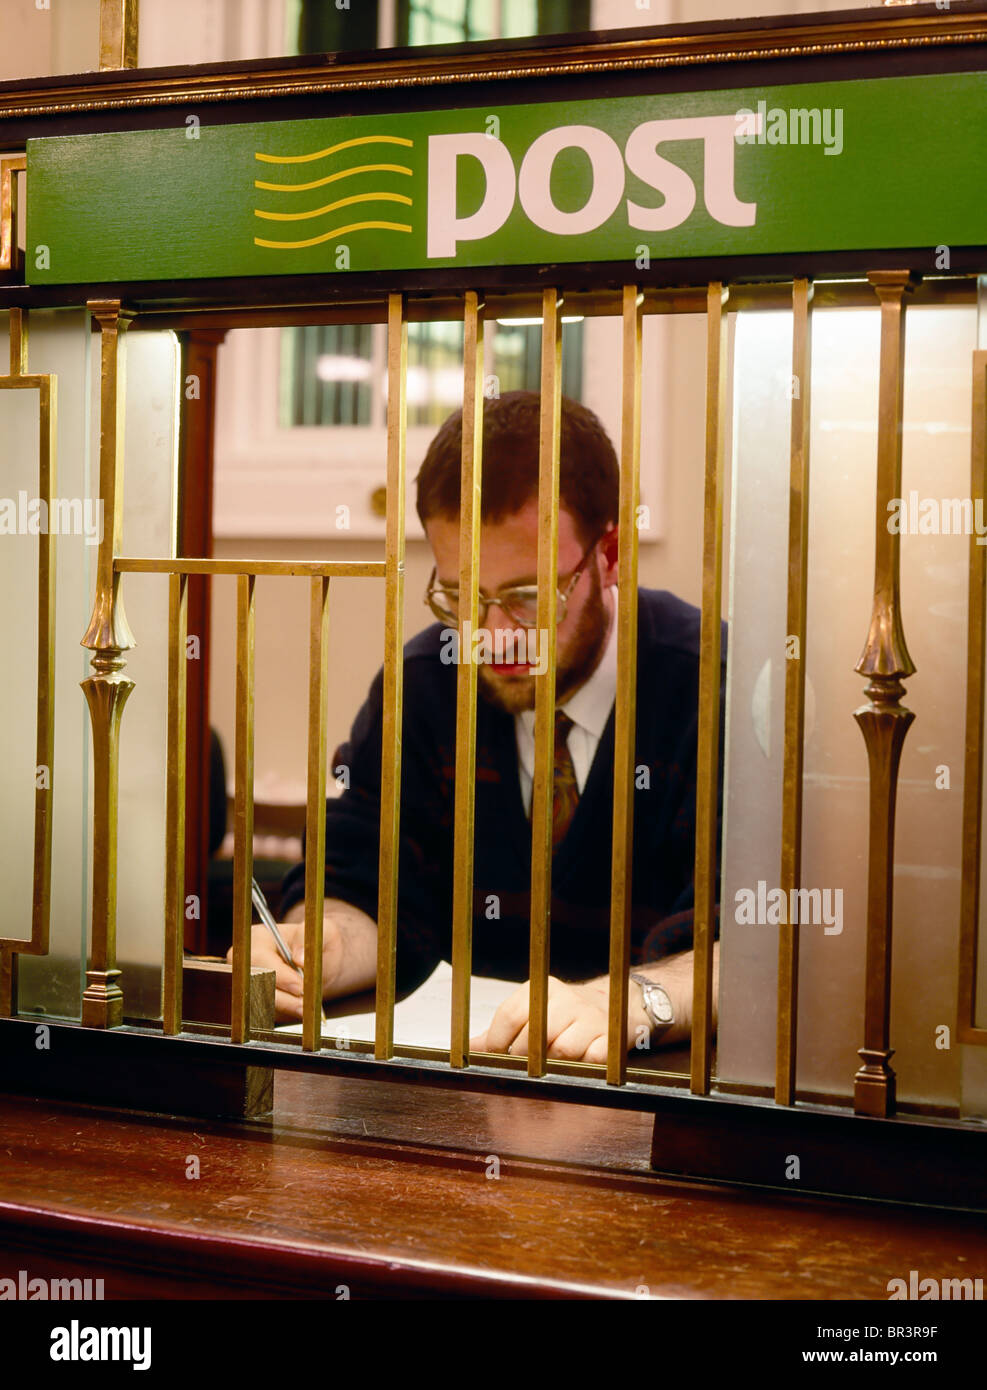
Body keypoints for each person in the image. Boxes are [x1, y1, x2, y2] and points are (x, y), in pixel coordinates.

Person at [236, 391, 723, 1062]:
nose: (490, 637)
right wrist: (324, 944)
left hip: (664, 1112)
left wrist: (631, 1001)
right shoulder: (426, 685)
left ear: (609, 553)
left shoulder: (712, 688)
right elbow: (365, 877)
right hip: (457, 1098)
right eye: (461, 597)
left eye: (526, 598)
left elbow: (763, 944)